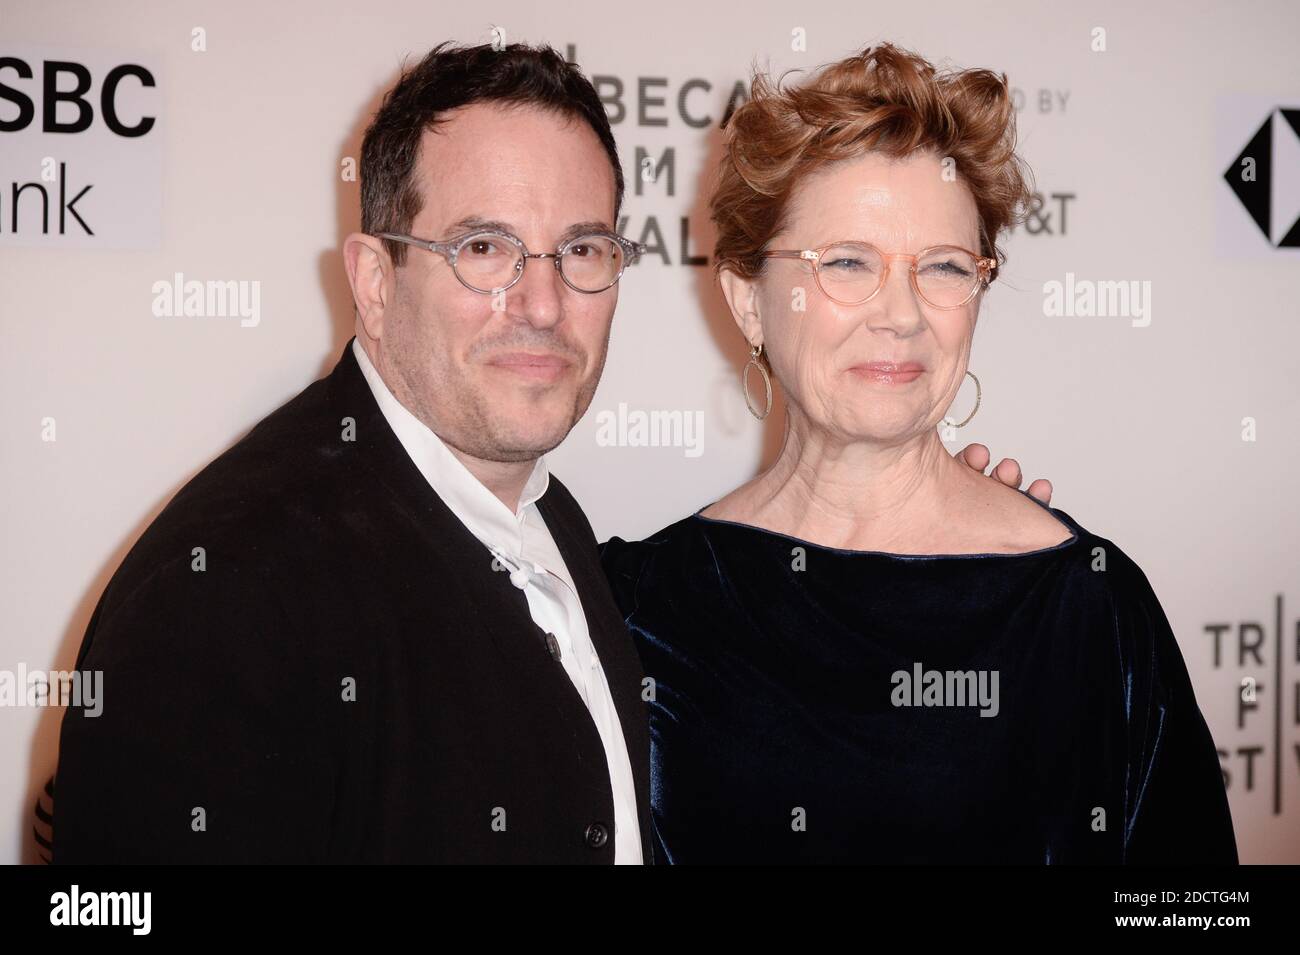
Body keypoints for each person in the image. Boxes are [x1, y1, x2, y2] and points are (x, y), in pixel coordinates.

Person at [51, 41, 1045, 864]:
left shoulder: (559, 537)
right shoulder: (235, 580)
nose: (539, 302)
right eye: (481, 248)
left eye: (581, 250)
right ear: (375, 279)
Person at [599, 42, 1238, 864]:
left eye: (941, 267)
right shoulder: (639, 605)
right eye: (848, 264)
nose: (899, 314)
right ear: (748, 299)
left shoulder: (1088, 611)